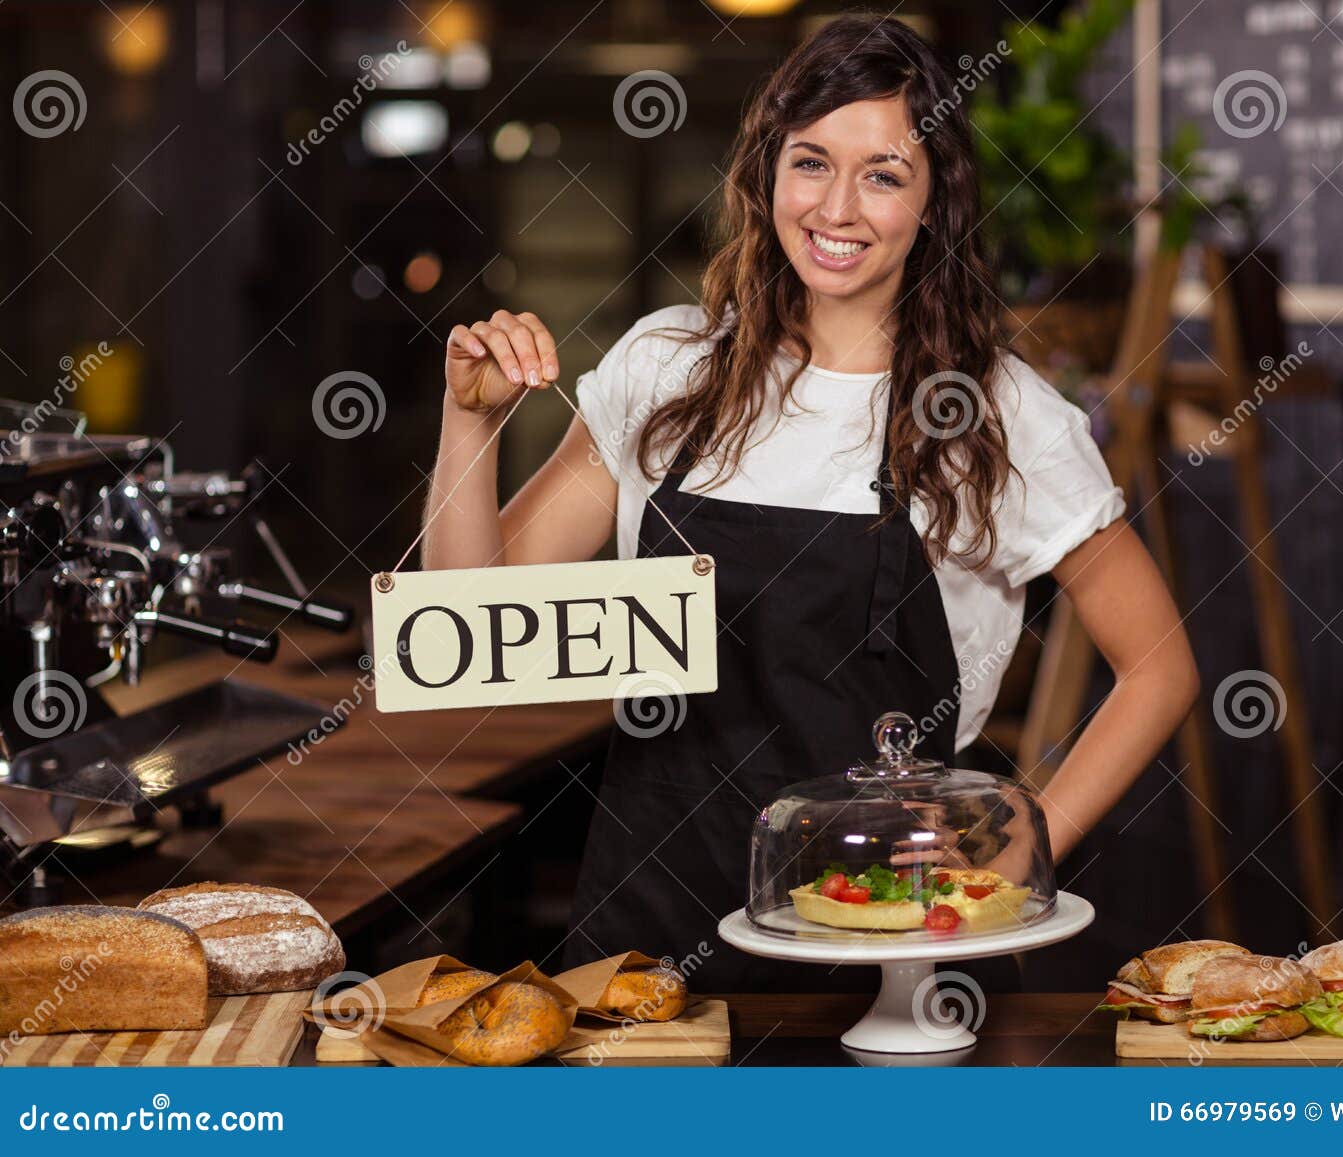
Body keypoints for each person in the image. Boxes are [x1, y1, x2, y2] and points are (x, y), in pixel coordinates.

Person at [423, 15, 1199, 992]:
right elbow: (464, 632)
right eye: (810, 163)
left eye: (882, 173)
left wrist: (1017, 855)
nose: (838, 206)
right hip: (646, 945)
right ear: (765, 174)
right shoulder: (664, 368)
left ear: (933, 201)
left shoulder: (992, 416)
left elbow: (1159, 666)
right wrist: (469, 423)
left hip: (885, 953)